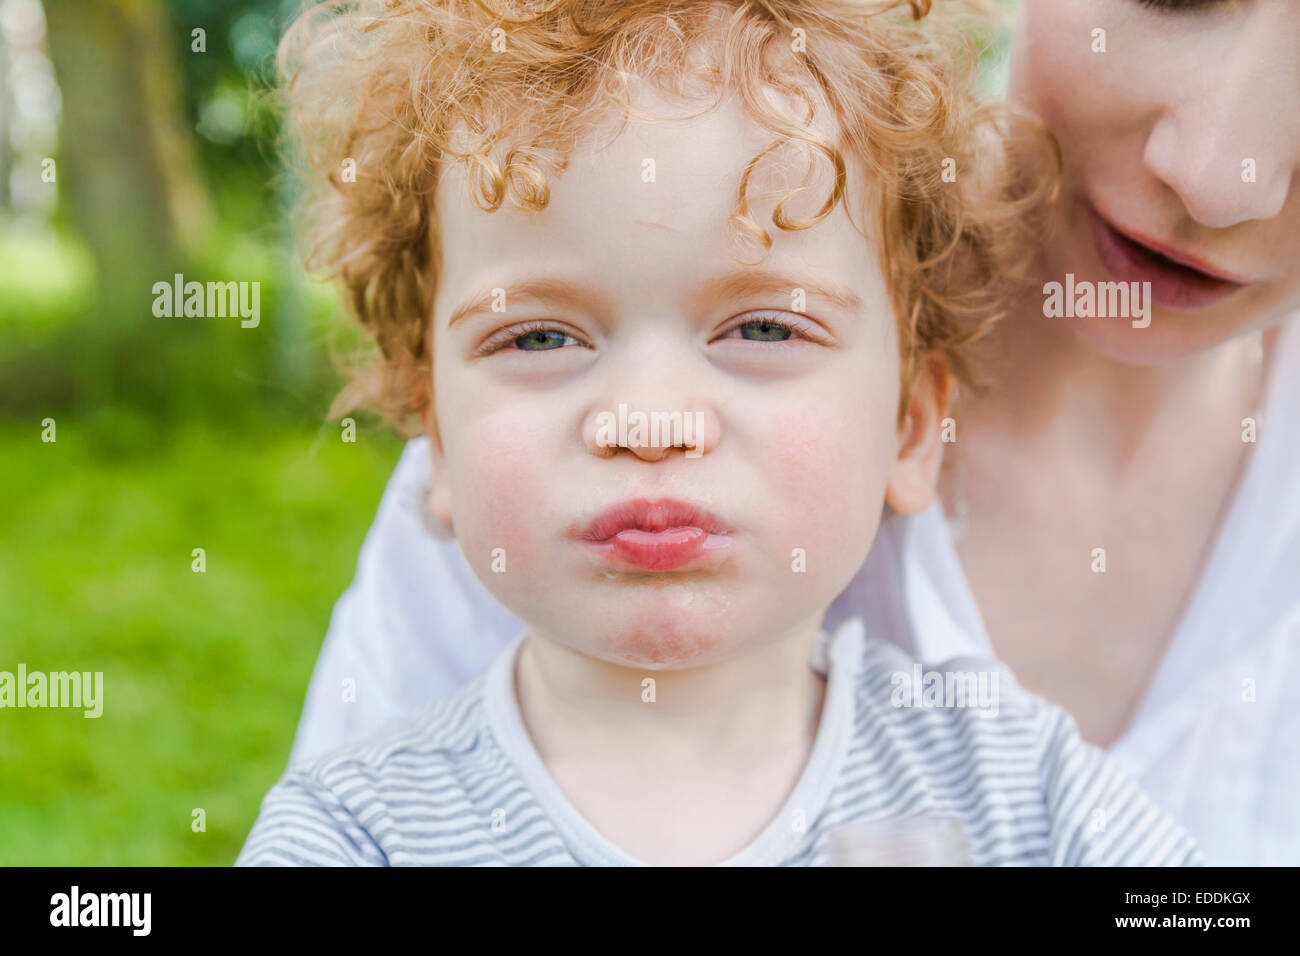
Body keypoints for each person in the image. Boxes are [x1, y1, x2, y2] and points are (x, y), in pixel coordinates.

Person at [286, 0, 1300, 866]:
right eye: (542, 334)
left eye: (762, 327)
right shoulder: (360, 818)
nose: (650, 422)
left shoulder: (1003, 772)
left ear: (911, 421)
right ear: (433, 434)